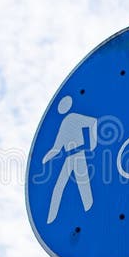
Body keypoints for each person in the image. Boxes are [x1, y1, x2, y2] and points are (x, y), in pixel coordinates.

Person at [42, 95, 98, 224]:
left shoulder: (73, 117)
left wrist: (92, 143)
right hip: (69, 157)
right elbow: (56, 147)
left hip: (79, 155)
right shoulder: (64, 123)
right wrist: (46, 159)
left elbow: (93, 121)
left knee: (83, 186)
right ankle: (51, 219)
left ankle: (90, 217)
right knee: (59, 186)